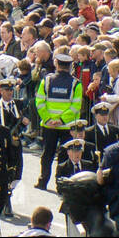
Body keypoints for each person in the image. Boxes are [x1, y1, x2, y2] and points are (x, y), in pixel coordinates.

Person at [34, 52, 83, 190]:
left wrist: (49, 119)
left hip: (49, 125)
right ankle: (60, 184)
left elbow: (39, 102)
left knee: (47, 154)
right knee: (64, 156)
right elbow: (76, 106)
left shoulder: (47, 80)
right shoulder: (76, 84)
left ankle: (43, 181)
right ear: (70, 66)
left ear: (57, 64)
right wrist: (61, 120)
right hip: (67, 126)